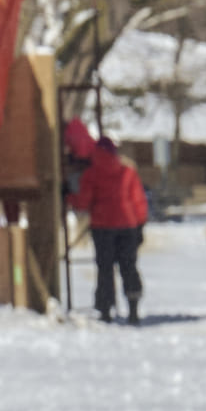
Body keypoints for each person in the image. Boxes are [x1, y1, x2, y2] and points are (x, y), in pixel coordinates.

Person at [69, 119, 150, 323]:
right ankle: (133, 309)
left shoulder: (92, 174)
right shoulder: (128, 172)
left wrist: (67, 194)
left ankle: (105, 311)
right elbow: (139, 201)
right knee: (129, 267)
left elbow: (82, 203)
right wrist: (140, 225)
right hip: (128, 226)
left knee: (105, 270)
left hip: (103, 227)